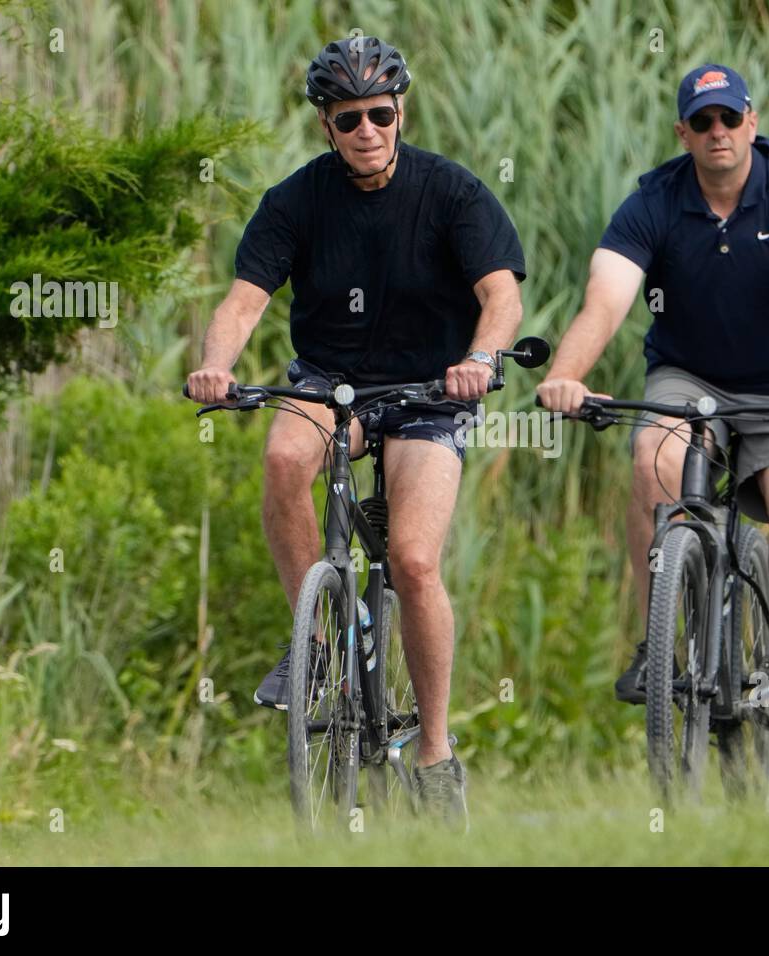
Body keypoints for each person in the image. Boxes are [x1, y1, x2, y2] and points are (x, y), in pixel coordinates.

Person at [186, 36, 526, 821]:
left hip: (432, 390)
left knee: (411, 557)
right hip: (331, 385)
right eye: (349, 120)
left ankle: (435, 752)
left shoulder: (452, 192)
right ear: (326, 127)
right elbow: (243, 303)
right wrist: (215, 365)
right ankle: (318, 641)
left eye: (379, 114)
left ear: (400, 111)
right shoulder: (295, 201)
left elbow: (500, 295)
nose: (366, 130)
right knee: (280, 456)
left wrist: (480, 358)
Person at [536, 64, 769, 744]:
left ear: (752, 121)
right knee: (650, 461)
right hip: (690, 378)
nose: (719, 132)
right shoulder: (654, 200)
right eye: (704, 121)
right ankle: (657, 639)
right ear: (683, 132)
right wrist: (565, 376)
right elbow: (606, 298)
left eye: (730, 118)